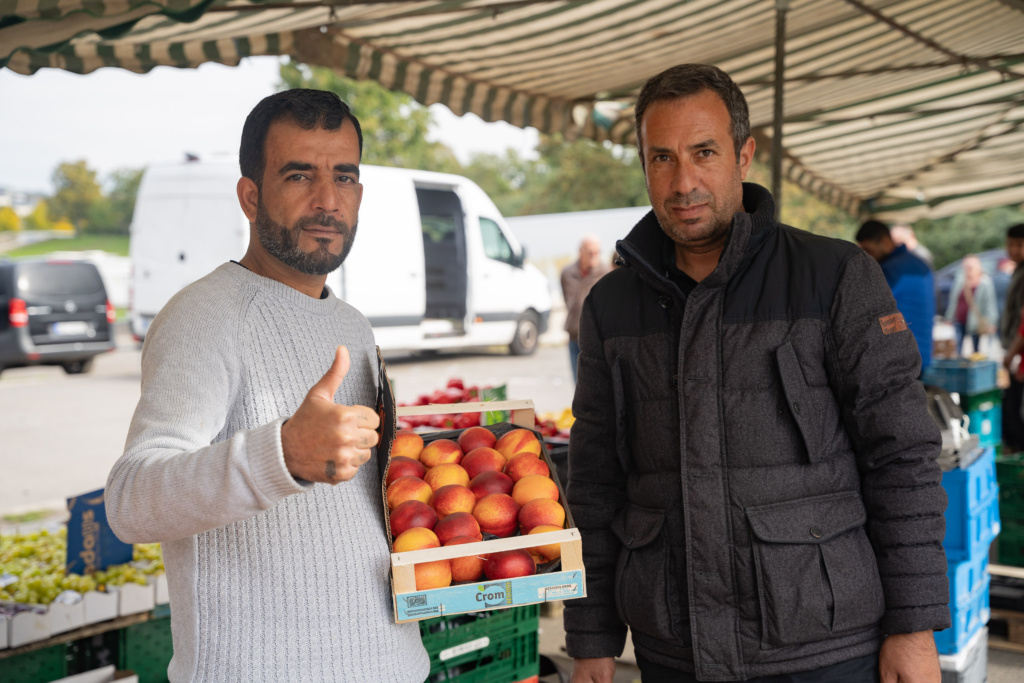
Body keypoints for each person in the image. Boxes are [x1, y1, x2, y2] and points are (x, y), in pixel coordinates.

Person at [564, 64, 949, 683]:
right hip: (674, 650)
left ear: (744, 155)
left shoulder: (835, 276)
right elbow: (594, 482)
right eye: (661, 158)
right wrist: (590, 636)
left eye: (704, 152)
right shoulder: (611, 306)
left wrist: (913, 627)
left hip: (824, 647)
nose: (683, 180)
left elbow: (902, 456)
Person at [104, 90, 430, 682]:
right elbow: (130, 501)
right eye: (300, 174)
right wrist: (281, 454)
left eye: (345, 177)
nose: (328, 201)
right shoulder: (206, 316)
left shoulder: (351, 324)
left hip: (392, 665)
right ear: (250, 196)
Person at [856, 219, 935, 370]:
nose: (867, 257)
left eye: (869, 250)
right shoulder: (919, 263)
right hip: (921, 352)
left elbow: (869, 310)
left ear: (885, 242)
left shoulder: (890, 270)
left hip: (901, 358)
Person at [561, 235, 611, 382]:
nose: (594, 256)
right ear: (580, 251)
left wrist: (593, 271)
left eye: (597, 252)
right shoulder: (567, 273)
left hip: (597, 338)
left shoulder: (605, 272)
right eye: (590, 252)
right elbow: (571, 302)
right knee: (578, 384)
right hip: (575, 335)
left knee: (597, 384)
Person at [999, 224, 1024, 451]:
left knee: (1016, 405)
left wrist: (1012, 353)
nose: (1013, 249)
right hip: (1015, 350)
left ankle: (1016, 446)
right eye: (1010, 244)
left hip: (1019, 352)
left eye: (1019, 244)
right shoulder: (1017, 270)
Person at [945, 254, 998, 356]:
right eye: (966, 266)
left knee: (976, 349)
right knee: (958, 347)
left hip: (975, 321)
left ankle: (974, 367)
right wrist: (949, 317)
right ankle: (960, 366)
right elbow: (953, 300)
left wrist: (992, 322)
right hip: (959, 320)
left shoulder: (985, 282)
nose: (968, 269)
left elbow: (990, 304)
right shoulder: (960, 280)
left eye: (971, 266)